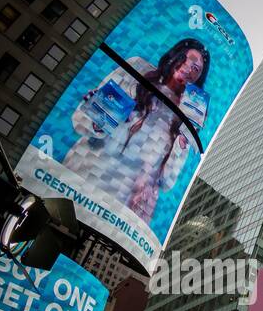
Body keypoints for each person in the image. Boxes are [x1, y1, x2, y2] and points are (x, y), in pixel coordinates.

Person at [63, 39, 211, 222]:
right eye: (186, 59)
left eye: (196, 68)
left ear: (198, 80)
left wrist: (183, 141)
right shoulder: (137, 69)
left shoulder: (187, 116)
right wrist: (99, 119)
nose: (188, 68)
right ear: (175, 55)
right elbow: (80, 120)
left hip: (124, 201)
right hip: (83, 175)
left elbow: (167, 181)